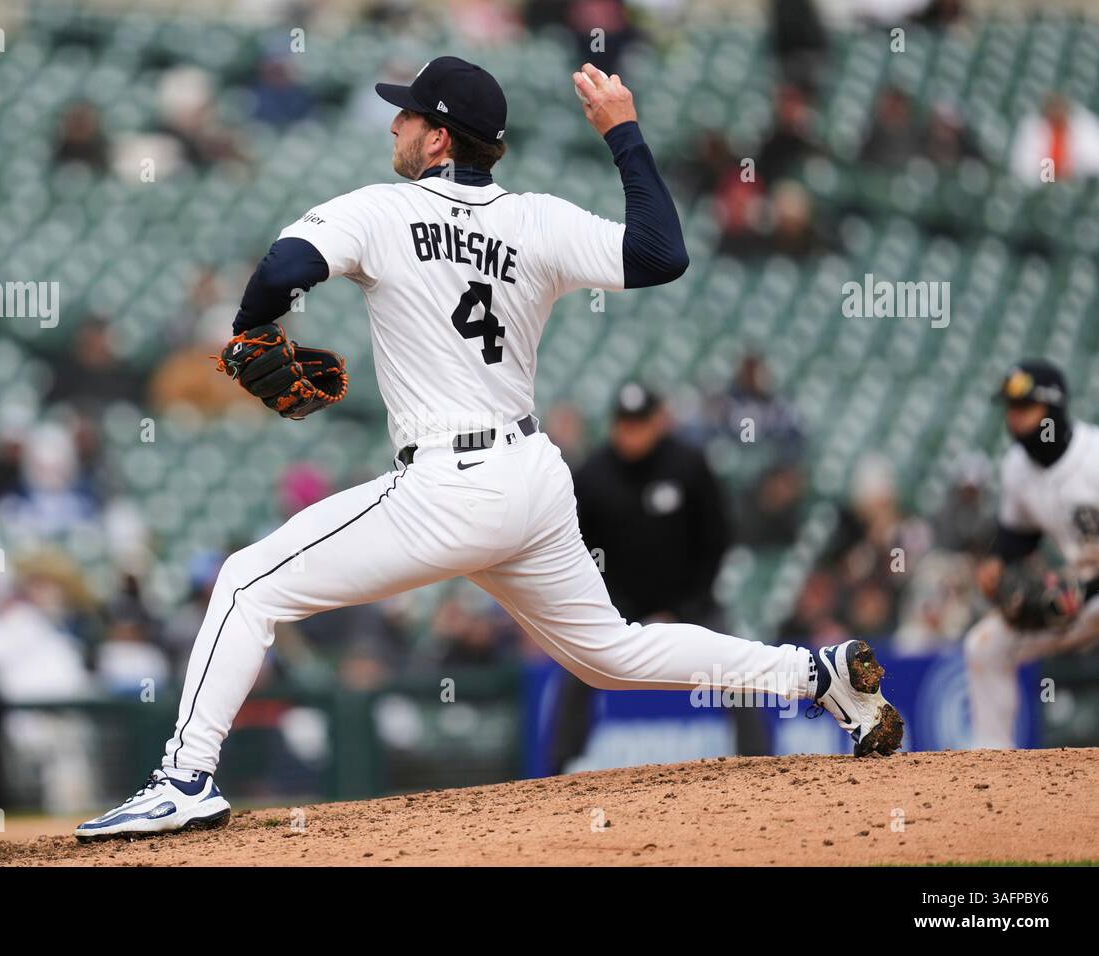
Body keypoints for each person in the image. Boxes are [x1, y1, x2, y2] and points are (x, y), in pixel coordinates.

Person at [76, 58, 903, 841]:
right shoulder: (537, 219)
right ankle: (814, 675)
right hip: (533, 478)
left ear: (437, 137)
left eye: (406, 113)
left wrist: (254, 327)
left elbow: (283, 265)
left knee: (246, 582)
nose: (393, 122)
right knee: (610, 655)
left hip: (448, 483)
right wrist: (624, 131)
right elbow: (663, 254)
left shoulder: (382, 210)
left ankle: (185, 779)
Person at [551, 382, 735, 770]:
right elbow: (580, 550)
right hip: (619, 606)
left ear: (658, 422)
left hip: (691, 603)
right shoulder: (593, 475)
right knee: (576, 668)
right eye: (624, 423)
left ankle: (760, 758)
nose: (631, 432)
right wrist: (615, 605)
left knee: (734, 665)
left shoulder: (689, 464)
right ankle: (557, 773)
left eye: (640, 423)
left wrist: (685, 605)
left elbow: (716, 539)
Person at [963, 360, 1099, 748]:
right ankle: (990, 764)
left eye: (1025, 408)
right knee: (984, 647)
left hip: (1085, 591)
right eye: (1010, 409)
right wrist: (997, 562)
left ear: (1053, 409)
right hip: (1078, 597)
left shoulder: (1094, 457)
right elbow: (1016, 535)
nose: (1014, 419)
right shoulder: (1016, 469)